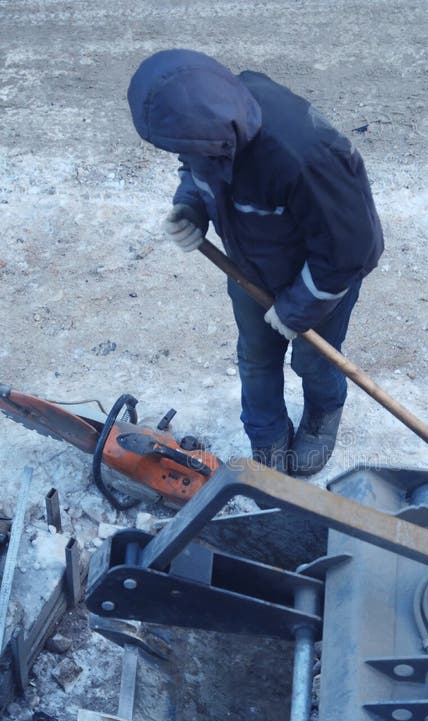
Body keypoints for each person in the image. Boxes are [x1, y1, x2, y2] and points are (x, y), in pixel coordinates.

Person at [128, 49, 383, 475]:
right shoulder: (206, 132)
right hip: (249, 269)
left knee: (314, 359)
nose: (181, 156)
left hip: (319, 281)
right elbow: (193, 171)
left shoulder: (304, 156)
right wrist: (191, 206)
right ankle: (267, 437)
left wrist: (298, 307)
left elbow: (354, 249)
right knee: (256, 357)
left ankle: (322, 416)